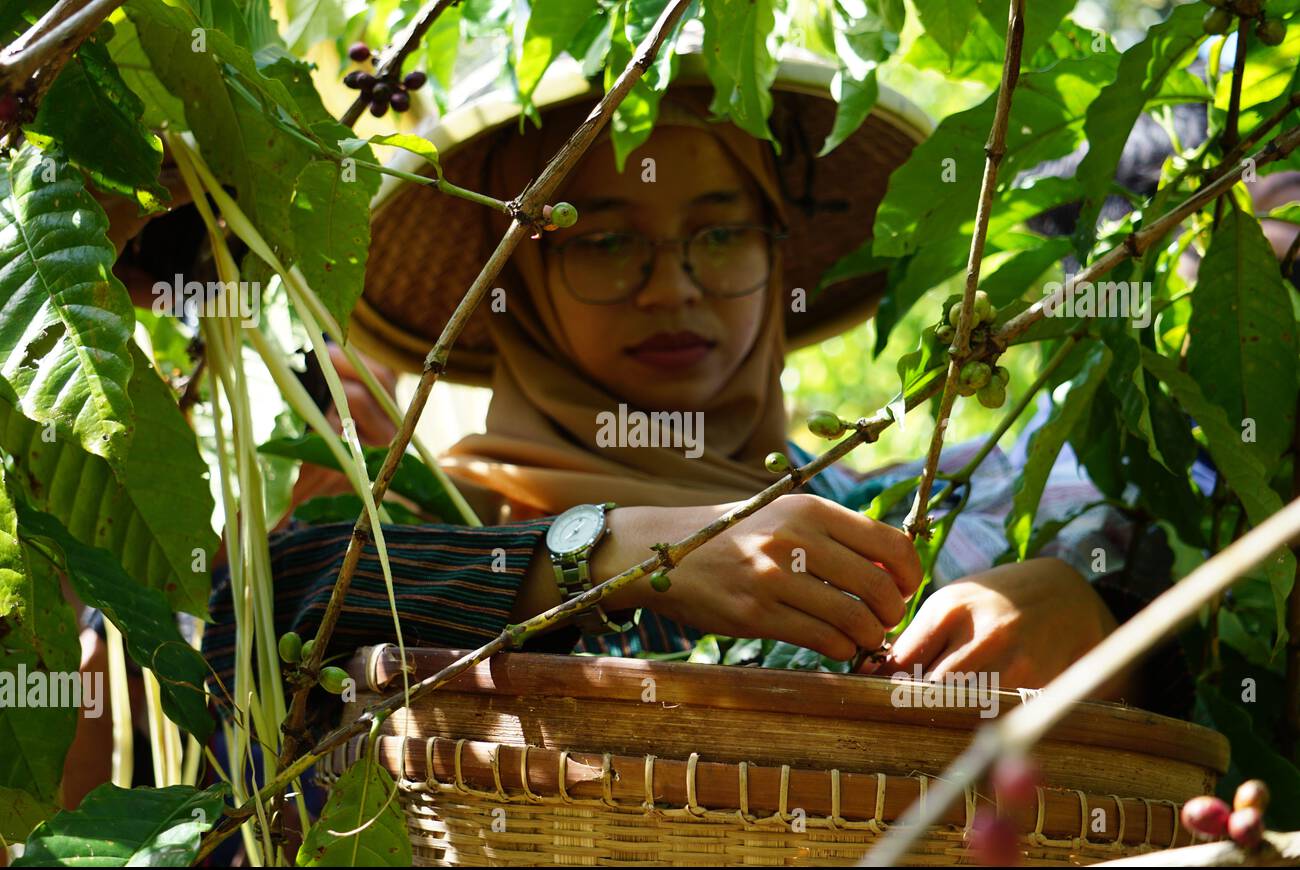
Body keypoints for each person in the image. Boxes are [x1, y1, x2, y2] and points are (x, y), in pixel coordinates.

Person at [202, 72, 1151, 719]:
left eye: (721, 233)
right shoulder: (419, 516)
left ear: (778, 249)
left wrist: (1111, 620)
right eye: (604, 241)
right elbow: (243, 619)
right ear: (520, 282)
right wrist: (623, 548)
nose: (674, 288)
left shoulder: (922, 510)